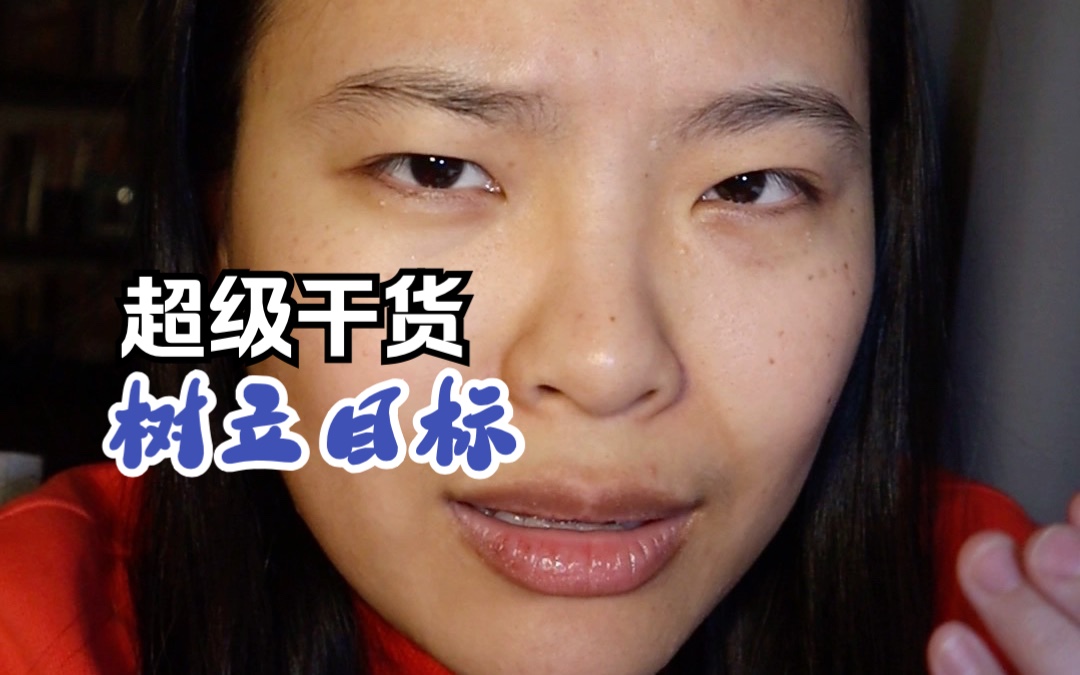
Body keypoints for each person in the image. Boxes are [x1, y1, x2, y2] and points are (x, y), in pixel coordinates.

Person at [1, 0, 1077, 673]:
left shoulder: (996, 605)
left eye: (752, 185)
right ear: (223, 221)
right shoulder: (44, 621)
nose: (606, 364)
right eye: (435, 170)